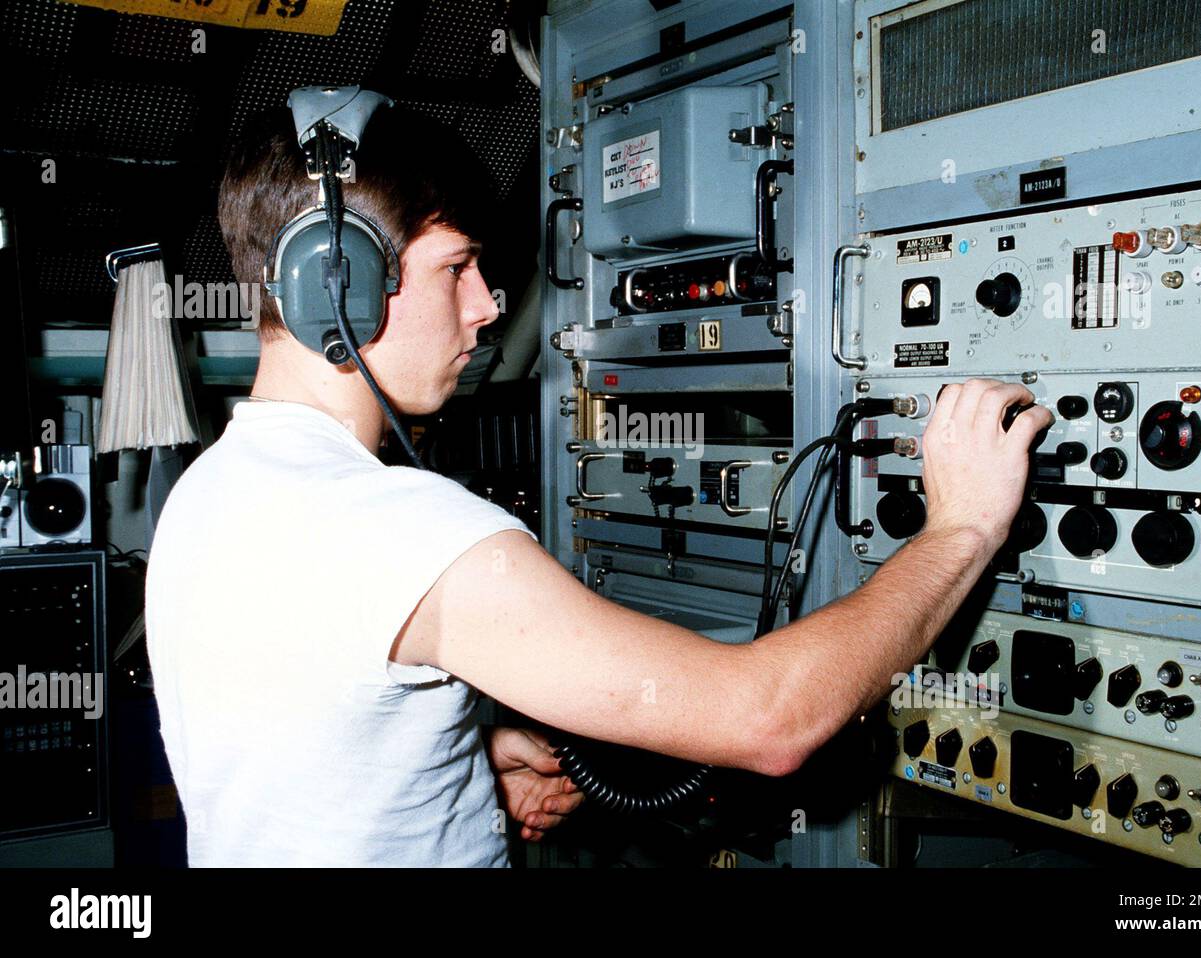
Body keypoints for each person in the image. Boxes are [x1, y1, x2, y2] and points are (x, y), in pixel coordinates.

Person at [145, 105, 1052, 867]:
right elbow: (774, 720)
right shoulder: (405, 531)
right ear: (332, 282)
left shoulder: (210, 493)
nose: (489, 305)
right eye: (457, 267)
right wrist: (961, 528)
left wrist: (458, 759)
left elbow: (290, 741)